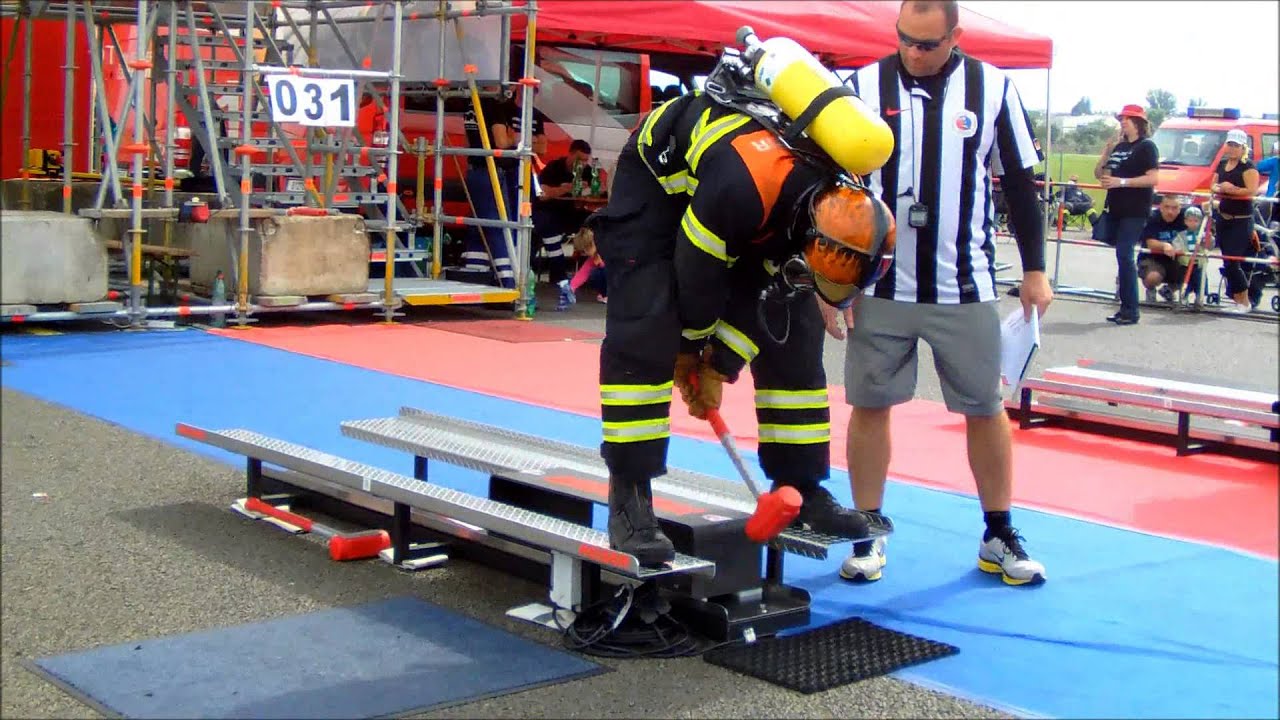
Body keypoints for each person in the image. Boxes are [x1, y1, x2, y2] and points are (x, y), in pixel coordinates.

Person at [593, 89, 896, 566]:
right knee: (648, 323)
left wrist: (722, 364)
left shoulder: (842, 197)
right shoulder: (743, 188)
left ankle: (801, 488)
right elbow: (699, 281)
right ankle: (630, 498)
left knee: (795, 332)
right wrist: (692, 357)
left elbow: (764, 293)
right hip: (659, 185)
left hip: (763, 206)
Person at [830, 0, 1053, 586]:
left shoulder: (994, 87)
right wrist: (830, 282)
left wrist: (1035, 269)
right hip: (881, 285)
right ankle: (868, 530)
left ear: (955, 36)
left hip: (966, 283)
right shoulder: (859, 86)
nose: (913, 52)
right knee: (870, 404)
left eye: (927, 44)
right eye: (904, 39)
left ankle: (998, 531)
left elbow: (1023, 185)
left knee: (985, 408)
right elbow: (827, 188)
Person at [460, 88, 548, 288]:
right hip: (491, 170)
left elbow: (468, 140)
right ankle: (510, 282)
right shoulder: (495, 107)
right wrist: (515, 139)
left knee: (478, 225)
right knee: (500, 225)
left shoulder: (471, 107)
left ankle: (475, 273)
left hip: (474, 169)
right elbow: (502, 142)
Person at [1095, 104, 1160, 325]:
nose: (1123, 122)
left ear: (1138, 123)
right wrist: (1106, 152)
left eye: (1128, 119)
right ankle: (1124, 307)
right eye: (1121, 119)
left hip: (1135, 209)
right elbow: (1100, 175)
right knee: (1121, 257)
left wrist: (1122, 182)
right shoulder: (1119, 146)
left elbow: (1153, 178)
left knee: (1125, 254)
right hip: (1116, 208)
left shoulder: (1146, 147)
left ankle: (1131, 309)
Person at [536, 139, 597, 309]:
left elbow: (596, 192)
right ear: (570, 154)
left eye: (586, 160)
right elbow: (542, 193)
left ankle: (597, 270)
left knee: (596, 221)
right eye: (580, 160)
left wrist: (589, 191)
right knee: (546, 225)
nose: (583, 164)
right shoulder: (554, 168)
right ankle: (560, 274)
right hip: (550, 210)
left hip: (572, 212)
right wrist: (566, 188)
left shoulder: (588, 172)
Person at [1204, 129, 1260, 312]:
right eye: (1230, 144)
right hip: (1224, 218)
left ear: (1243, 147)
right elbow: (1212, 184)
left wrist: (1231, 190)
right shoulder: (1222, 164)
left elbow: (1252, 190)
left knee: (1233, 260)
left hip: (1241, 220)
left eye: (1236, 145)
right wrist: (1219, 187)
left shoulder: (1248, 167)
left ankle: (1244, 300)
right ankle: (1237, 299)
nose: (1233, 148)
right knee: (1227, 261)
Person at [1137, 194, 1188, 302]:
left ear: (1180, 209)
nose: (1170, 212)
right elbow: (1149, 242)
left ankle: (1169, 290)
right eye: (1166, 207)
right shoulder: (1152, 218)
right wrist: (1165, 245)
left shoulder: (1186, 217)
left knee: (1196, 270)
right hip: (1152, 258)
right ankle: (1150, 289)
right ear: (1160, 207)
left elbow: (1205, 207)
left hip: (1176, 259)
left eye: (1174, 208)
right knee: (1153, 277)